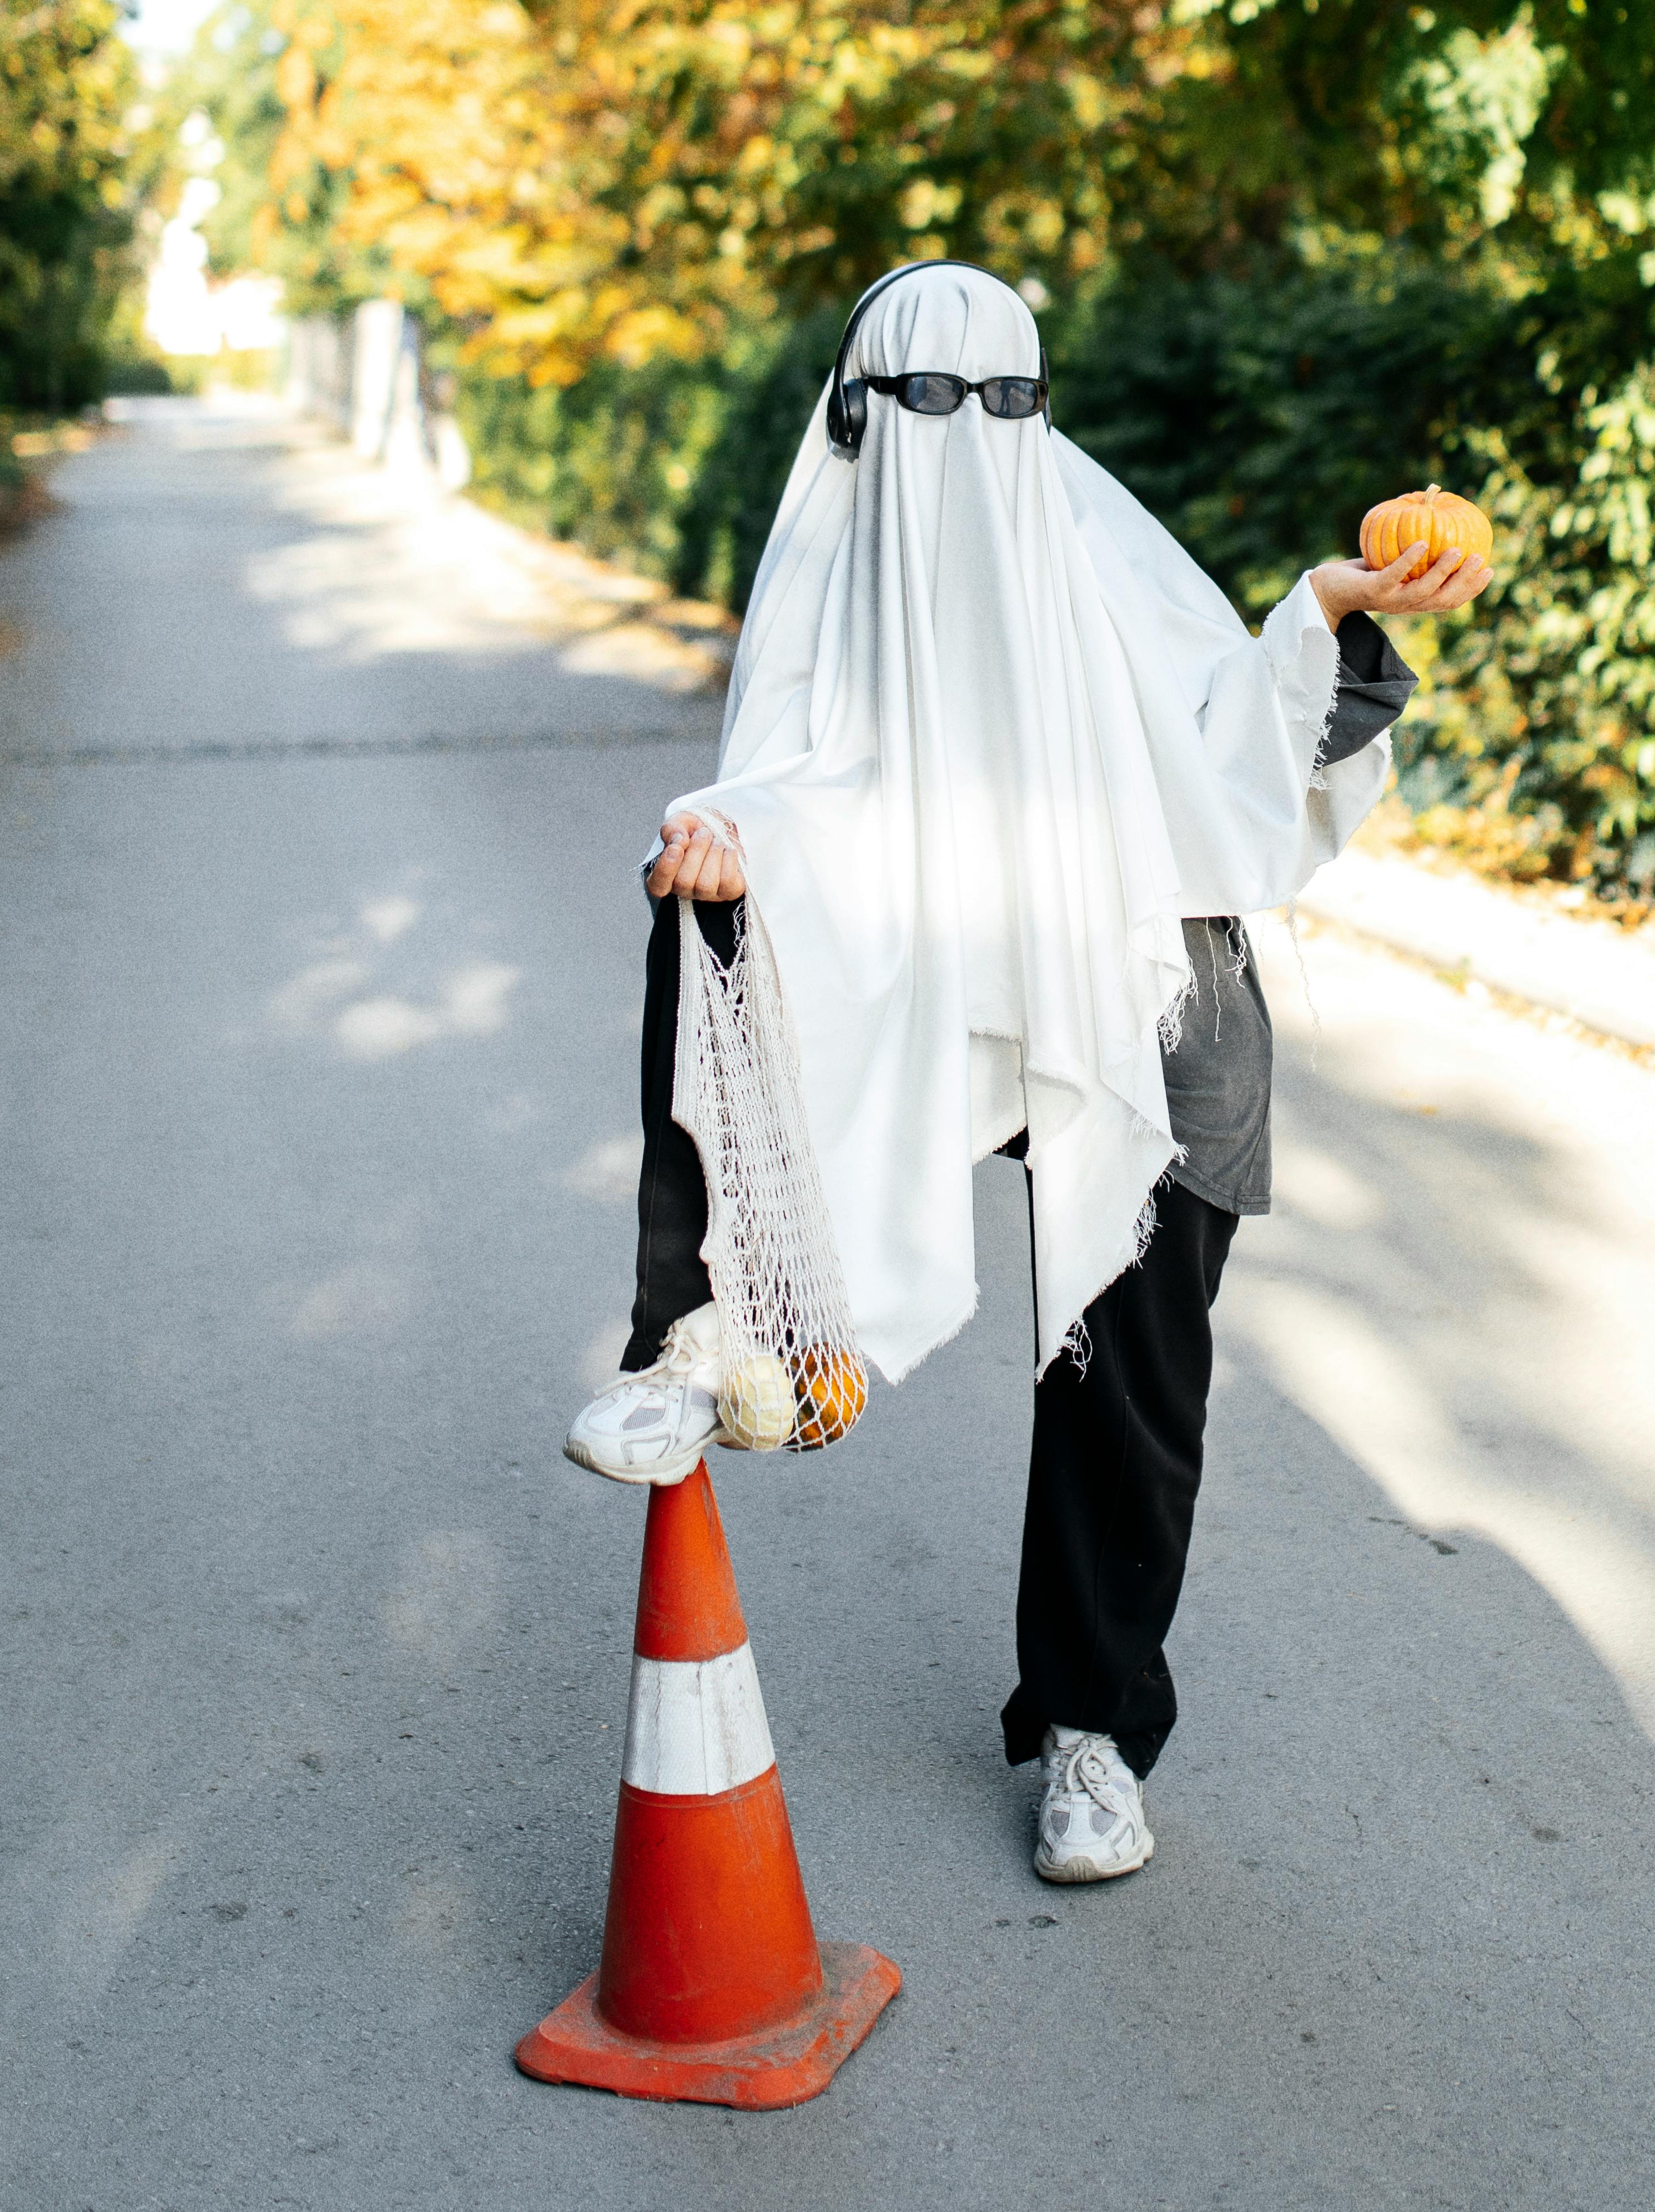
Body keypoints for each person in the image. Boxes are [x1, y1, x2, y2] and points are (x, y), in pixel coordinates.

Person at [564, 263, 1488, 1885]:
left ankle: (1089, 1732)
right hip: (919, 952)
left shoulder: (1099, 553)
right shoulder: (831, 566)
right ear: (858, 412)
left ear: (1039, 408)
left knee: (1131, 1361)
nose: (964, 435)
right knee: (696, 895)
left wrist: (1330, 612)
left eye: (1003, 401)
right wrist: (728, 836)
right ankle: (697, 1343)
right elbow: (799, 780)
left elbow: (1237, 742)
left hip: (1133, 963)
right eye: (925, 404)